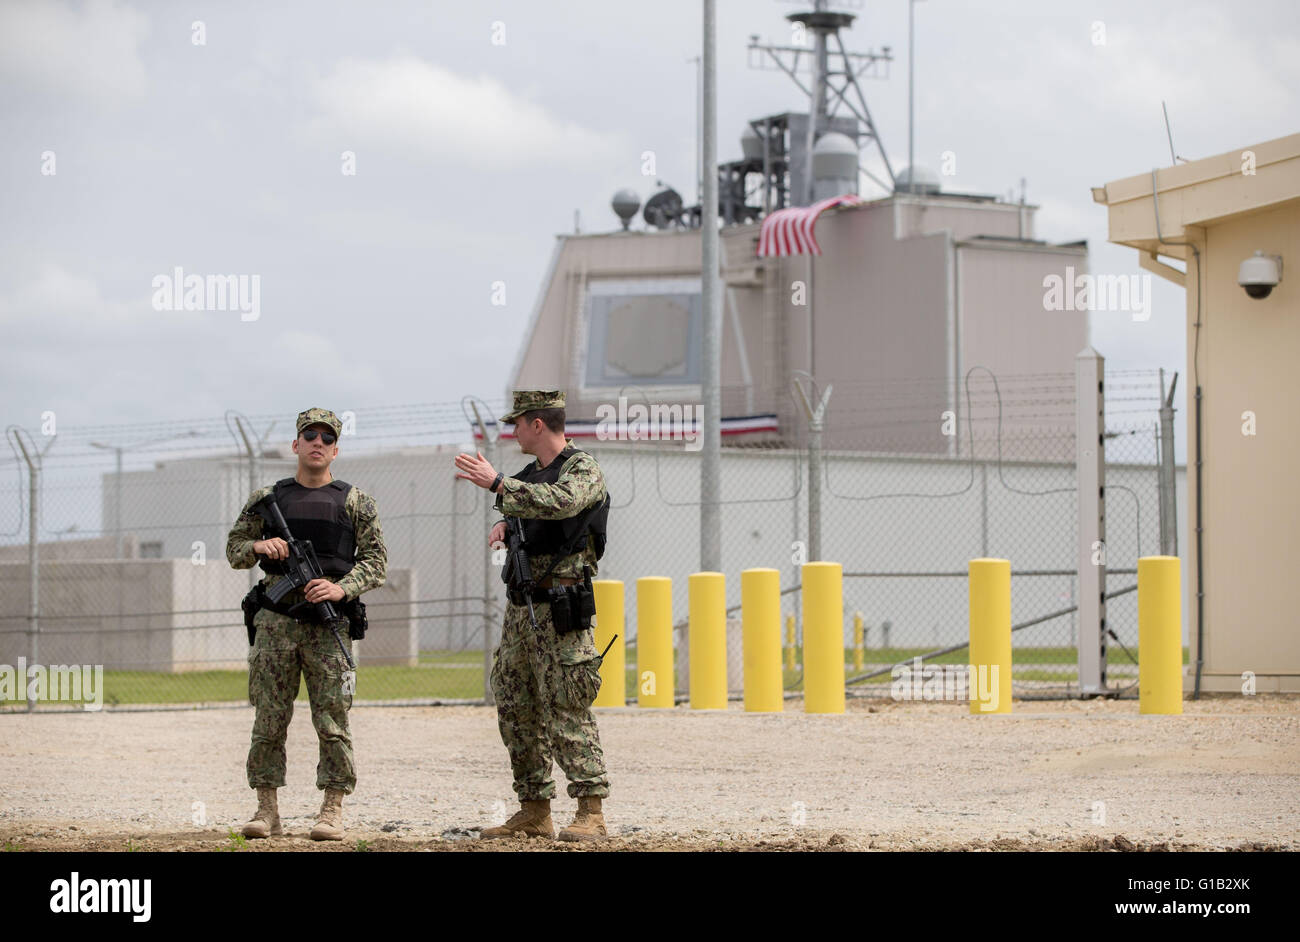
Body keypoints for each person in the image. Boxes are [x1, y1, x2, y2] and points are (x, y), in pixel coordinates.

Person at [454, 389, 612, 842]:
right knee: (515, 702)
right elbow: (527, 509)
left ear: (537, 424)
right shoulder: (529, 475)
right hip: (523, 610)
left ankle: (591, 810)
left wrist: (500, 485)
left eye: (518, 423)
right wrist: (505, 521)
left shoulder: (583, 469)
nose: (513, 431)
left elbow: (562, 502)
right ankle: (534, 809)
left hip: (562, 607)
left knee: (567, 701)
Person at [225, 408, 387, 841]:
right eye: (309, 436)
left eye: (327, 438)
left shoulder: (356, 501)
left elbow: (376, 564)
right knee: (269, 720)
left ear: (336, 449)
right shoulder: (269, 498)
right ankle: (266, 810)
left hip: (327, 625)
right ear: (296, 445)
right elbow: (234, 549)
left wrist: (341, 589)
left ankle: (331, 809)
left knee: (332, 720)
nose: (318, 443)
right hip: (276, 623)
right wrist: (261, 544)